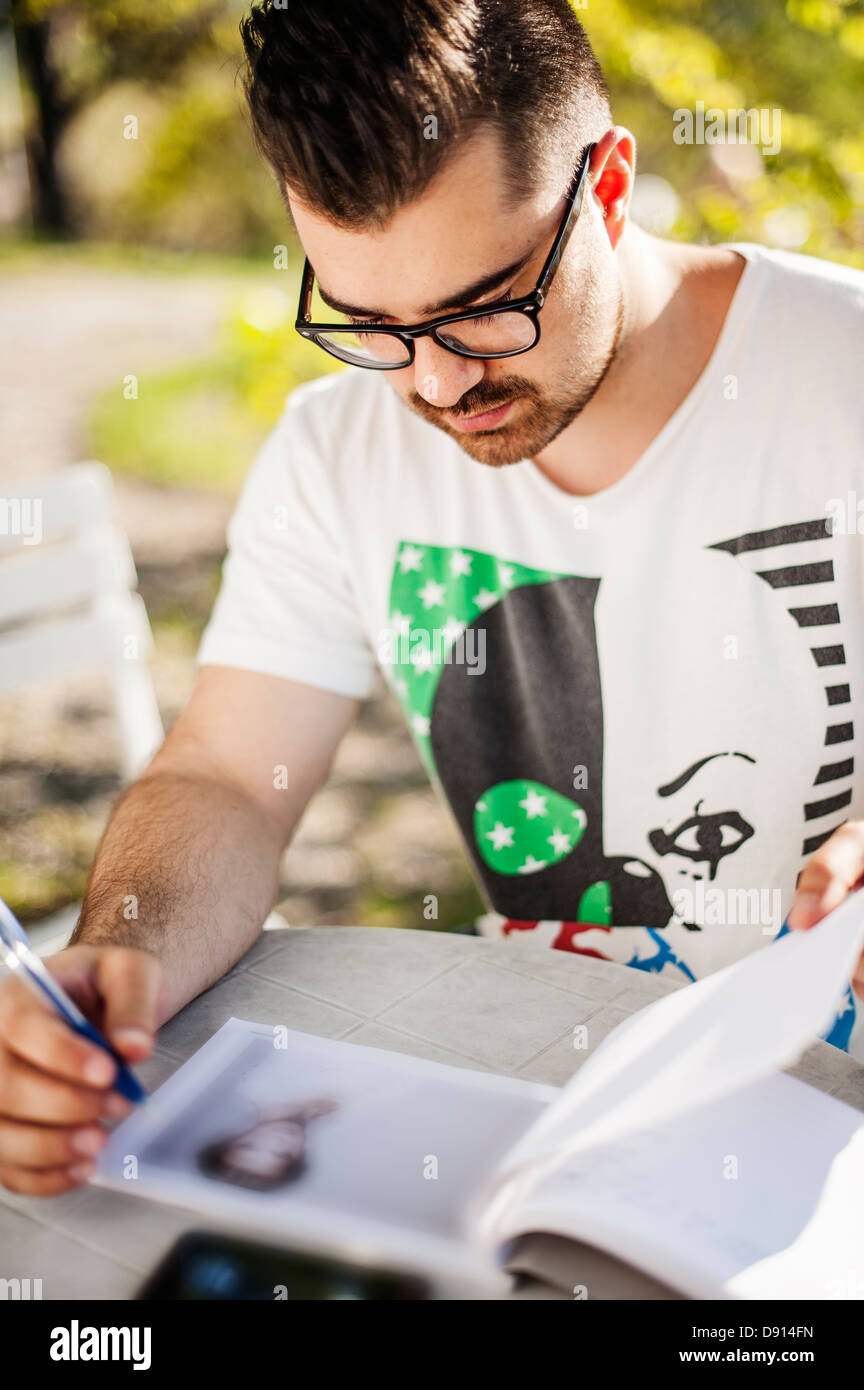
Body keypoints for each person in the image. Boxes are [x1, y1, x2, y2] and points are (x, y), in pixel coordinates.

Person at [1, 0, 863, 1198]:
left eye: (483, 305)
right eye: (369, 323)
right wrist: (120, 955)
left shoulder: (845, 376)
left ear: (609, 188)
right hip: (535, 1129)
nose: (440, 382)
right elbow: (232, 780)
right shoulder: (333, 454)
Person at [197, 1099, 338, 1191]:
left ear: (232, 1138)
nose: (276, 1139)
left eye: (248, 1145)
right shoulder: (334, 1123)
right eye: (283, 1154)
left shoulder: (256, 1096)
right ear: (300, 1156)